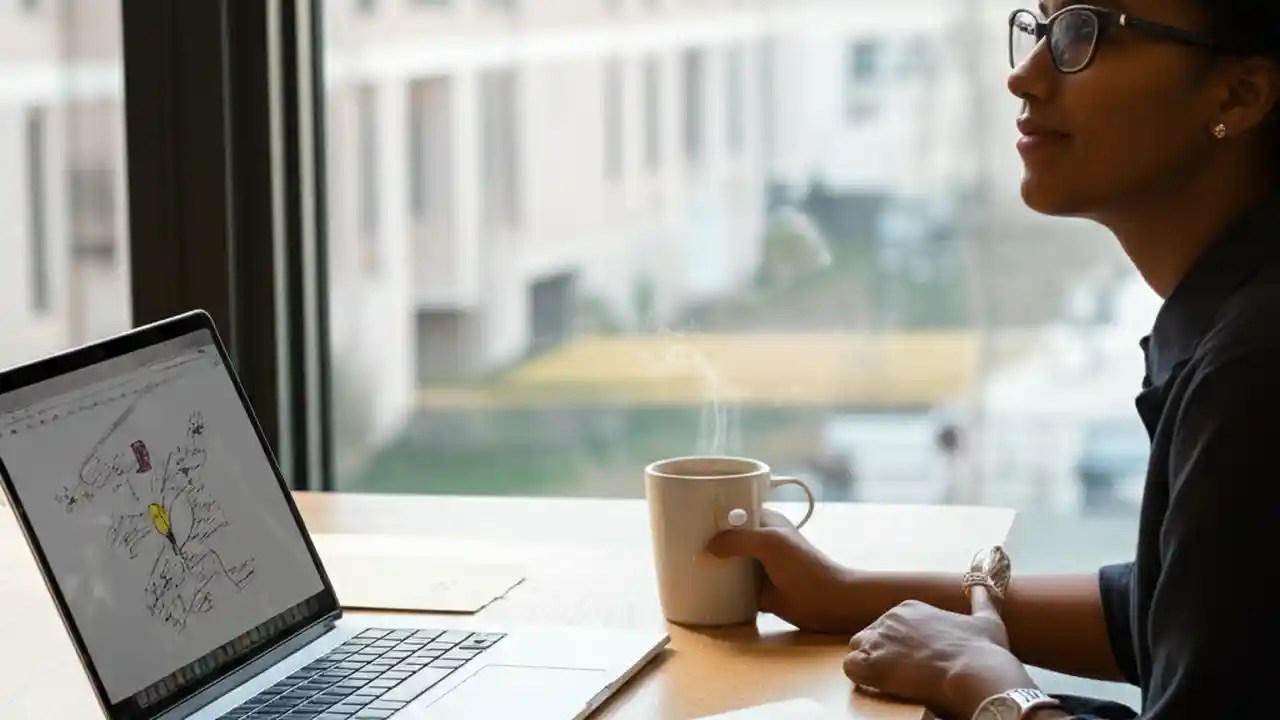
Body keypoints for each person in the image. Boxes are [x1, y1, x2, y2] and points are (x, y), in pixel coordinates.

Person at [708, 1, 1280, 718]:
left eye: (1084, 32)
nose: (1024, 76)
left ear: (1238, 95)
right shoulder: (1237, 316)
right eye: (1042, 26)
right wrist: (847, 594)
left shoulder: (1256, 364)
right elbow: (1184, 609)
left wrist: (986, 683)